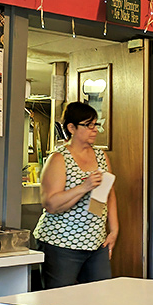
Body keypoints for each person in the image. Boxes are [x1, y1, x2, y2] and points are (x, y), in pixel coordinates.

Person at [34, 101, 118, 288]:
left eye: (95, 124)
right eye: (88, 125)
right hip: (61, 241)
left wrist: (114, 230)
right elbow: (50, 203)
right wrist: (84, 187)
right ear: (71, 127)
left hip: (96, 242)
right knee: (59, 299)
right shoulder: (59, 158)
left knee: (101, 295)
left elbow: (109, 194)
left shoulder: (101, 156)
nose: (94, 130)